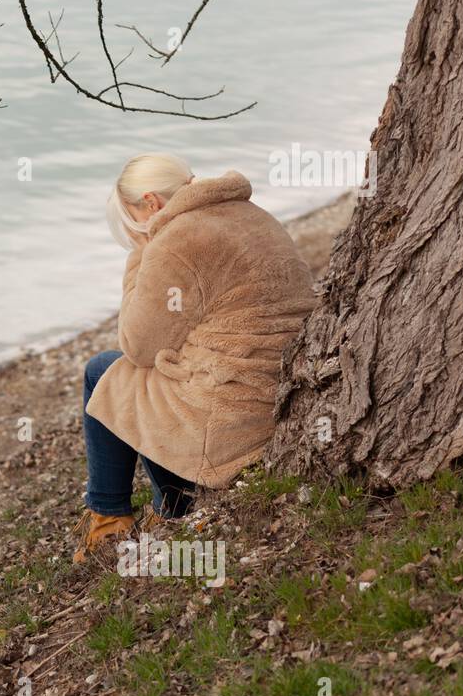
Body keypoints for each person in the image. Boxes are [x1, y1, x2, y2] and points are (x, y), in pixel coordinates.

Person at [74, 153, 318, 563]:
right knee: (142, 377)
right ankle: (161, 505)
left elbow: (138, 345)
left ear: (151, 203)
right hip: (281, 389)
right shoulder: (252, 215)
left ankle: (119, 519)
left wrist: (140, 257)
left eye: (132, 219)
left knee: (104, 370)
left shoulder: (176, 240)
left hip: (230, 417)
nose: (135, 231)